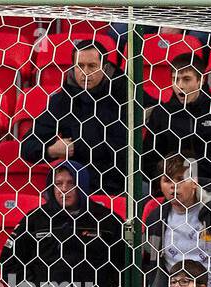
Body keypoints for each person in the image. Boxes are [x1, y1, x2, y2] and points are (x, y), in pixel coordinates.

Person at [0, 162, 124, 287]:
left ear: (82, 185)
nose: (64, 189)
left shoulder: (107, 220)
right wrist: (32, 286)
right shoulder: (35, 219)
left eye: (71, 183)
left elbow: (124, 262)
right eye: (58, 183)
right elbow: (8, 261)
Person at [20, 40, 131, 197]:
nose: (85, 72)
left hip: (123, 184)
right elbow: (27, 147)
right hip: (78, 186)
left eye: (92, 66)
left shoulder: (127, 93)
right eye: (80, 66)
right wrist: (51, 150)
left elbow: (158, 112)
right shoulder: (62, 101)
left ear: (105, 68)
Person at [144, 155, 211, 287]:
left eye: (180, 179)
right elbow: (151, 262)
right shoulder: (156, 219)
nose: (173, 186)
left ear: (194, 181)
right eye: (167, 180)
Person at [143, 54, 211, 195]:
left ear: (201, 80)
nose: (179, 85)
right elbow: (149, 157)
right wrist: (167, 182)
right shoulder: (161, 114)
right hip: (172, 190)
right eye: (175, 79)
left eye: (186, 79)